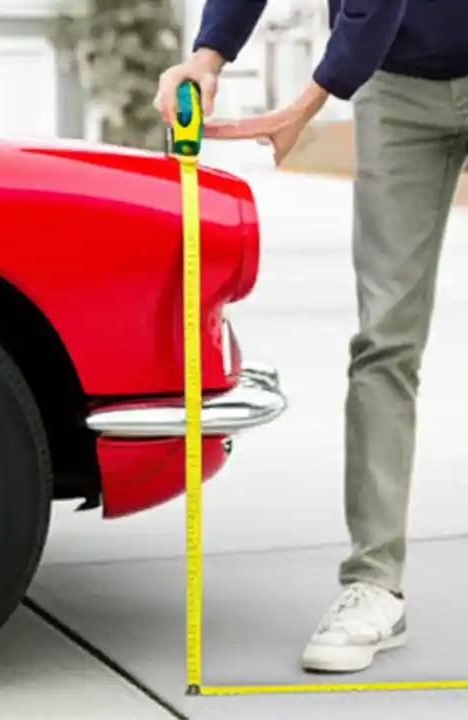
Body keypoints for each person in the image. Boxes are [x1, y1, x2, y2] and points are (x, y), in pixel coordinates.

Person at [156, 0, 468, 673]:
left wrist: (309, 100)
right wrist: (208, 54)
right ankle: (374, 586)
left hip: (385, 55)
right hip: (398, 84)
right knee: (385, 342)